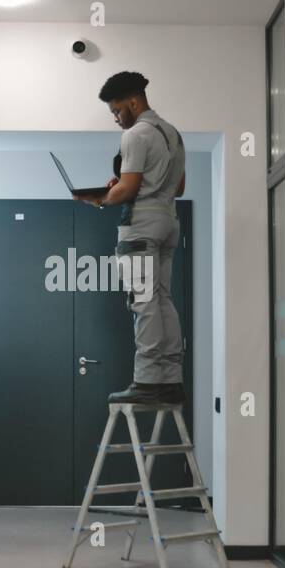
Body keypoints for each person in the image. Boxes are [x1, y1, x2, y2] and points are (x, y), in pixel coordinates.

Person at [75, 71, 186, 405]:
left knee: (143, 300)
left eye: (117, 111)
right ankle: (170, 379)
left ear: (134, 102)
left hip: (141, 225)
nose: (116, 118)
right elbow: (179, 187)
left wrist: (100, 198)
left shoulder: (136, 135)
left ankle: (148, 381)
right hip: (168, 220)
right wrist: (125, 183)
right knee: (162, 298)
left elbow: (129, 189)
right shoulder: (173, 134)